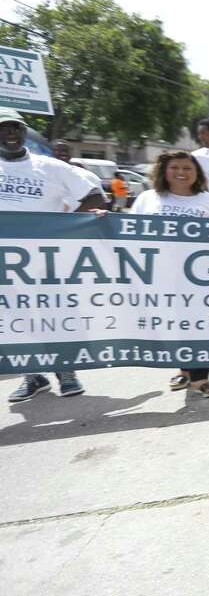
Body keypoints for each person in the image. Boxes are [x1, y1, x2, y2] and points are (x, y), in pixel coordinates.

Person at [0, 108, 105, 402]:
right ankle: (33, 376)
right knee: (15, 319)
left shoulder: (51, 167)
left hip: (48, 258)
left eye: (15, 128)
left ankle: (66, 371)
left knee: (56, 314)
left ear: (23, 133)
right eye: (3, 129)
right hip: (5, 263)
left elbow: (95, 196)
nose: (10, 134)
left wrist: (63, 229)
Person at [124, 152, 209, 397]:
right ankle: (184, 370)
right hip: (158, 275)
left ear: (197, 173)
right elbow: (129, 231)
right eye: (174, 167)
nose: (181, 172)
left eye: (187, 168)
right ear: (163, 171)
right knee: (173, 324)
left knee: (198, 325)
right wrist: (103, 220)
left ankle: (200, 378)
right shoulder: (147, 198)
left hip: (198, 277)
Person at [50, 139, 105, 208]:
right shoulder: (41, 174)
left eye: (66, 150)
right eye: (57, 150)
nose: (63, 153)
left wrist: (75, 217)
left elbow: (101, 204)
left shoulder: (89, 176)